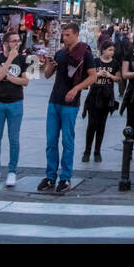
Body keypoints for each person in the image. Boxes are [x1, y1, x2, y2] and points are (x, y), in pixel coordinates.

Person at [38, 22, 97, 193]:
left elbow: (92, 76)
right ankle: (50, 176)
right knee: (51, 141)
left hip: (70, 104)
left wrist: (76, 89)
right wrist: (49, 64)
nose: (64, 38)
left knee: (67, 141)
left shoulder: (84, 53)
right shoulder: (60, 53)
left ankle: (65, 177)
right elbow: (48, 75)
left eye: (68, 35)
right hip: (54, 100)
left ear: (76, 35)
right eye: (63, 35)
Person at [0, 30, 30, 187]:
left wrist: (9, 77)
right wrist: (9, 60)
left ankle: (12, 172)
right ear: (5, 43)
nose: (17, 43)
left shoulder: (23, 59)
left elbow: (25, 82)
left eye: (18, 40)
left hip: (16, 102)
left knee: (14, 139)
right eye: (13, 41)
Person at [81, 41, 120, 163]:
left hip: (106, 97)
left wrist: (109, 75)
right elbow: (87, 77)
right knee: (91, 124)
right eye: (109, 50)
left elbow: (118, 78)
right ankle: (87, 151)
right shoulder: (96, 62)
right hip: (94, 95)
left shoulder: (115, 63)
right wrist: (97, 74)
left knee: (102, 125)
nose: (111, 52)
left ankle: (97, 151)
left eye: (113, 50)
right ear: (103, 50)